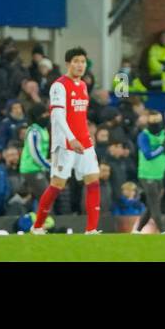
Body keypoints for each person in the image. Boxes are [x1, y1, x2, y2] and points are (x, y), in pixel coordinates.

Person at [32, 47, 101, 234]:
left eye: (83, 62)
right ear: (68, 64)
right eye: (76, 61)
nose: (80, 65)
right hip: (64, 143)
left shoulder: (83, 86)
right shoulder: (59, 85)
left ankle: (91, 230)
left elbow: (79, 115)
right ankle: (37, 226)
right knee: (57, 185)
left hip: (84, 141)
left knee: (93, 181)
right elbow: (58, 115)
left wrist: (88, 134)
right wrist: (71, 139)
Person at [133, 111, 165, 233]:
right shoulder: (143, 136)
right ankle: (163, 231)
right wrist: (162, 148)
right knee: (154, 204)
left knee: (152, 205)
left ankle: (137, 230)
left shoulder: (164, 134)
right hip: (147, 174)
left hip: (159, 174)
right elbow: (148, 154)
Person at [19, 103, 52, 200]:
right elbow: (35, 153)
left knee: (34, 197)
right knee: (46, 196)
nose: (47, 116)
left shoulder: (43, 129)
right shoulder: (34, 132)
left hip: (37, 168)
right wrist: (47, 165)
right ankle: (44, 215)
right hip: (31, 169)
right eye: (44, 114)